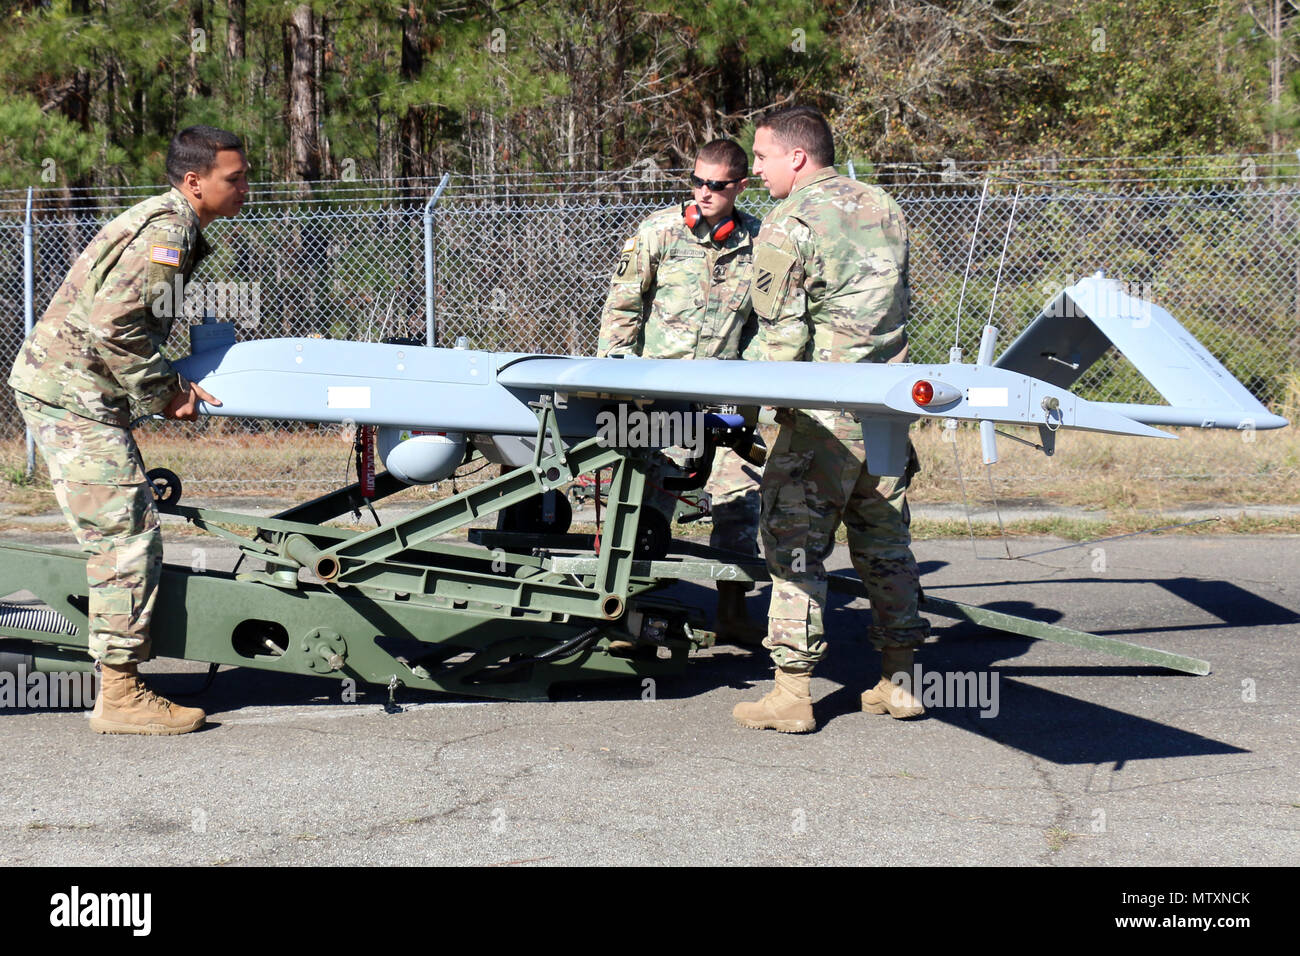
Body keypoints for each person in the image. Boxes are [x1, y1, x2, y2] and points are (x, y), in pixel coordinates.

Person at [9, 125, 248, 735]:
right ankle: (119, 695)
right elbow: (115, 326)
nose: (245, 187)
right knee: (125, 535)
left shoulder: (171, 222)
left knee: (123, 524)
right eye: (234, 178)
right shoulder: (168, 232)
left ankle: (121, 679)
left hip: (73, 389)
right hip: (72, 394)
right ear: (195, 182)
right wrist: (167, 393)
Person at [733, 106, 930, 733]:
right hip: (887, 412)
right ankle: (899, 684)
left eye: (761, 157)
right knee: (887, 547)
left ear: (797, 157)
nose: (754, 170)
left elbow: (783, 342)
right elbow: (901, 305)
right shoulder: (886, 208)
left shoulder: (787, 222)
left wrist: (749, 407)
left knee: (793, 551)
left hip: (819, 421)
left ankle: (792, 695)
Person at [597, 139, 766, 642]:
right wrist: (617, 381)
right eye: (697, 181)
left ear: (739, 185)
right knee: (645, 505)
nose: (704, 192)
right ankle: (628, 610)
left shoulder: (760, 244)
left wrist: (752, 383)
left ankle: (733, 610)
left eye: (716, 185)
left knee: (739, 504)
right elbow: (622, 309)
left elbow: (769, 324)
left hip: (726, 400)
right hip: (660, 399)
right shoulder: (660, 231)